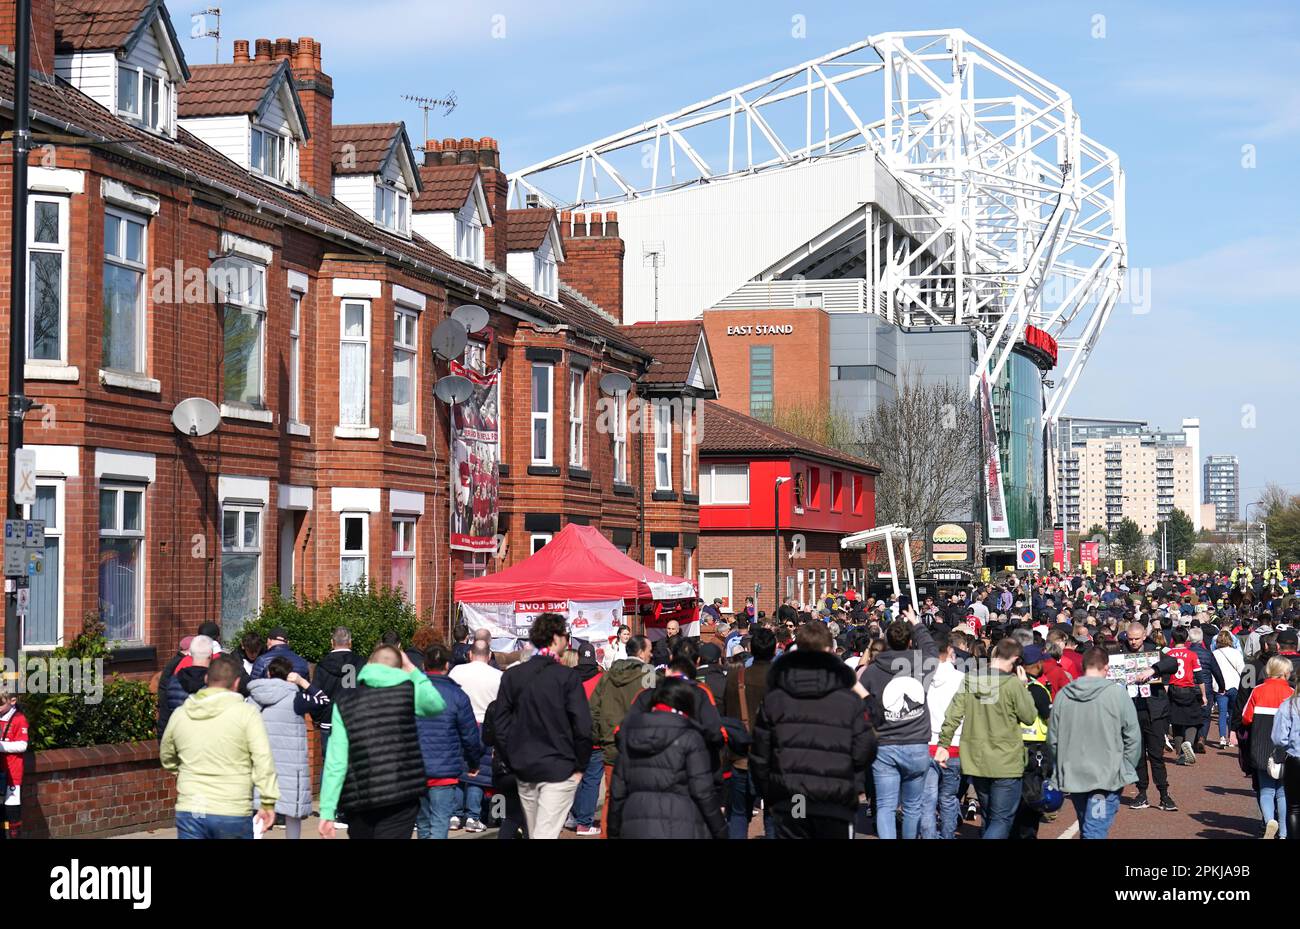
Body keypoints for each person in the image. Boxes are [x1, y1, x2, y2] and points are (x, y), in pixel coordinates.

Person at [752, 622, 877, 839]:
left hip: (795, 795)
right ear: (829, 651)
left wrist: (771, 792)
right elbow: (866, 744)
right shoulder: (848, 699)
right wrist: (851, 774)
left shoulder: (776, 699)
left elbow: (760, 753)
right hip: (834, 797)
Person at [319, 645, 445, 839]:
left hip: (359, 797)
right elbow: (435, 704)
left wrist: (327, 810)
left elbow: (336, 760)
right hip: (401, 793)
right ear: (399, 667)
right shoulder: (407, 691)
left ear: (369, 664)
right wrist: (412, 669)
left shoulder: (345, 701)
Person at [488, 613, 593, 839]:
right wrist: (579, 767)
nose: (568, 640)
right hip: (558, 767)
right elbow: (583, 726)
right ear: (555, 638)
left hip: (525, 766)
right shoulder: (567, 677)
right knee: (542, 834)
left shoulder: (513, 676)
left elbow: (500, 724)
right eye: (566, 635)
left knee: (536, 832)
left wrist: (512, 756)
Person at [159, 655, 280, 839]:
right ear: (237, 682)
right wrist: (267, 801)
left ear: (206, 679)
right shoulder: (246, 714)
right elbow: (263, 760)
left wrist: (181, 771)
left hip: (192, 806)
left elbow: (167, 755)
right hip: (232, 807)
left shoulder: (181, 714)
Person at [935, 638, 1037, 839]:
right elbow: (1029, 716)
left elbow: (954, 713)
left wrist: (944, 743)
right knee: (1001, 819)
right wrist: (1023, 687)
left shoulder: (970, 679)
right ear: (1015, 659)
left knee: (990, 815)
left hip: (977, 758)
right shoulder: (1013, 685)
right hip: (1005, 761)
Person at [607, 677, 727, 839]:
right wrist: (720, 831)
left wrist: (613, 832)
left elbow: (618, 792)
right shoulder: (691, 737)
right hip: (681, 824)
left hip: (636, 824)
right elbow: (703, 792)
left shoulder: (631, 733)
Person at [1048, 647, 1142, 839]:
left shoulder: (1064, 695)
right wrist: (1125, 766)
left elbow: (1053, 738)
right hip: (1104, 776)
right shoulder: (1117, 694)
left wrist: (1061, 764)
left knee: (1088, 826)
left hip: (1074, 771)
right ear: (1106, 668)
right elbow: (1133, 736)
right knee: (1095, 830)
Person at [860, 605, 937, 839]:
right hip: (916, 744)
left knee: (885, 805)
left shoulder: (872, 671)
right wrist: (918, 625)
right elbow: (932, 650)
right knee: (913, 805)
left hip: (885, 744)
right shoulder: (922, 663)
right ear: (910, 642)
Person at [246, 658, 330, 840]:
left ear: (268, 673)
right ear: (289, 675)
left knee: (261, 808)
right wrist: (302, 682)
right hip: (291, 765)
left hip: (263, 762)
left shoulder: (253, 698)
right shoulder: (296, 698)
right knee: (293, 812)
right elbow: (323, 700)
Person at [415, 644, 483, 838]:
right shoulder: (457, 696)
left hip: (417, 769)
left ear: (423, 665)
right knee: (439, 823)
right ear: (447, 665)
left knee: (423, 824)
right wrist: (473, 762)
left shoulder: (411, 692)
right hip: (444, 769)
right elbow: (470, 734)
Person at [722, 626, 776, 839]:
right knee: (772, 815)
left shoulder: (737, 676)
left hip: (740, 755)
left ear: (751, 648)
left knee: (738, 814)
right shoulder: (780, 677)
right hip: (772, 758)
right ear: (774, 650)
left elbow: (726, 712)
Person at [1122, 620, 1180, 812]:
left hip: (1154, 711)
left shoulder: (1154, 650)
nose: (1133, 642)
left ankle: (1164, 795)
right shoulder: (1121, 651)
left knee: (1156, 755)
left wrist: (1153, 669)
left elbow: (1172, 663)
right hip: (1131, 711)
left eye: (1136, 639)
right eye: (1130, 639)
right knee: (1137, 755)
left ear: (1144, 637)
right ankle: (1141, 793)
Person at [448, 640, 502, 830]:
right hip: (485, 726)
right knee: (478, 772)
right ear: (489, 656)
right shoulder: (498, 676)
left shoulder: (456, 672)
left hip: (459, 723)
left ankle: (455, 815)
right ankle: (473, 816)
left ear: (470, 654)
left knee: (459, 770)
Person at [921, 628, 965, 839]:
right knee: (948, 798)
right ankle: (947, 835)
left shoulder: (921, 677)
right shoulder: (961, 678)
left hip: (928, 742)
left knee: (927, 799)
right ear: (949, 650)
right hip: (953, 745)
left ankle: (929, 836)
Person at [1246, 656, 1295, 838]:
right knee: (1282, 793)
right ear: (1284, 672)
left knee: (1266, 790)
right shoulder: (1291, 692)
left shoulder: (1258, 690)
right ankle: (1283, 833)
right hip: (1284, 747)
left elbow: (1246, 717)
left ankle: (1269, 821)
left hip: (1261, 744)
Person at [567, 641, 606, 836]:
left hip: (572, 736)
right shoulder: (602, 679)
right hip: (594, 738)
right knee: (591, 780)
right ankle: (584, 822)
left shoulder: (569, 677)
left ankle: (574, 816)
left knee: (575, 778)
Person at [1165, 626, 1208, 766]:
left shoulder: (1168, 653)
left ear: (1173, 638)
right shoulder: (1192, 654)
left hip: (1173, 689)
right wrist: (1203, 694)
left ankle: (1180, 754)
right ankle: (1189, 741)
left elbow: (1165, 675)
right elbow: (1199, 677)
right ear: (1186, 638)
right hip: (1188, 690)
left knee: (1176, 722)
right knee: (1194, 720)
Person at [158, 634, 214, 735]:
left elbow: (165, 717)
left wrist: (163, 743)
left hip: (179, 738)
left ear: (191, 653)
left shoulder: (173, 681)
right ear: (211, 654)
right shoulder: (216, 685)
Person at [0, 688, 29, 839]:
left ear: (12, 701)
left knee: (12, 809)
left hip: (12, 771)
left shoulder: (19, 719)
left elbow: (22, 745)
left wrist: (1, 746)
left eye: (0, 703)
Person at [1212, 629, 1245, 750]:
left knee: (1222, 712)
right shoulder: (1236, 653)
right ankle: (1232, 737)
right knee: (1233, 712)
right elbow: (1242, 670)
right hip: (1234, 685)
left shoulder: (1215, 653)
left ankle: (1221, 737)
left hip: (1220, 687)